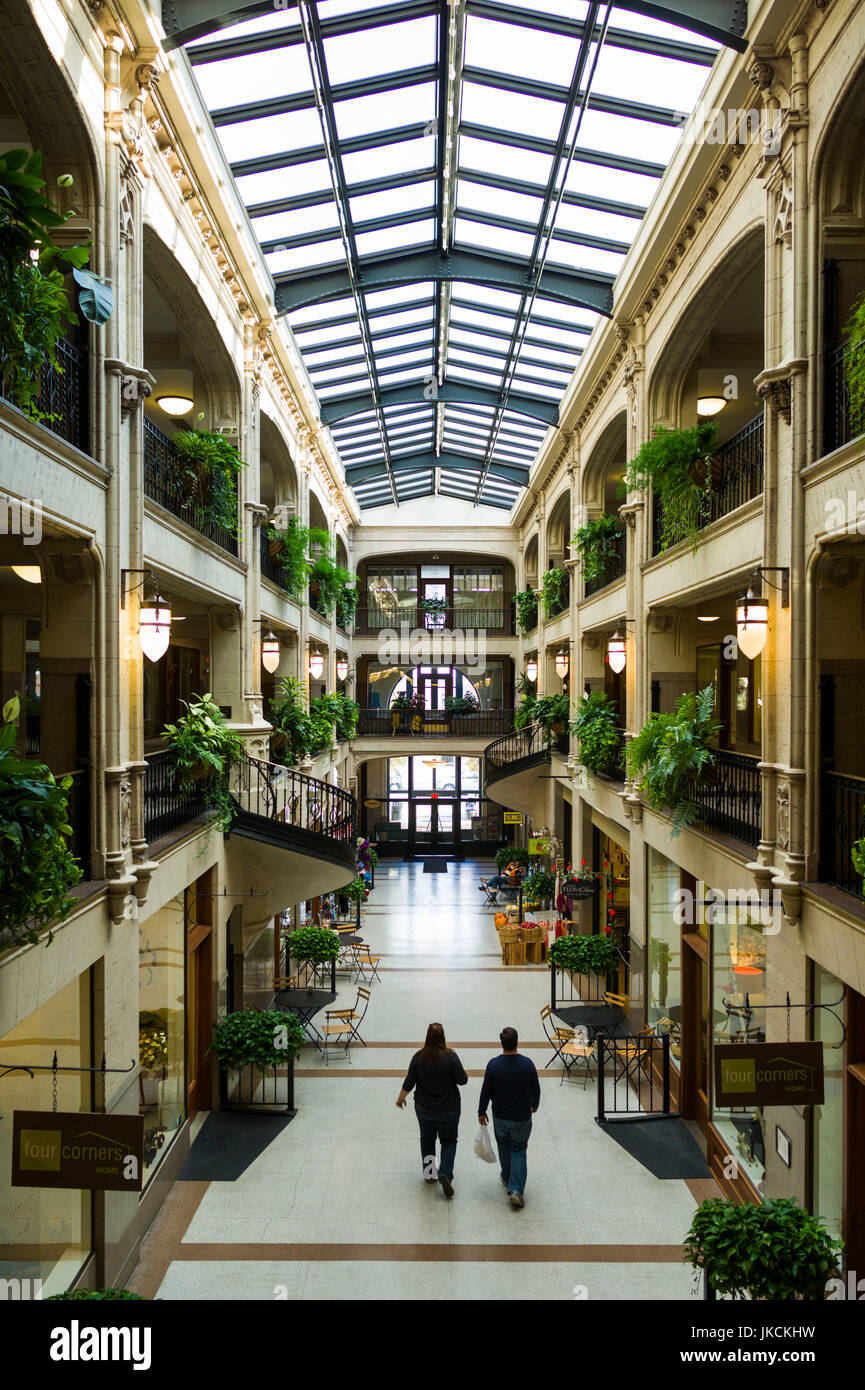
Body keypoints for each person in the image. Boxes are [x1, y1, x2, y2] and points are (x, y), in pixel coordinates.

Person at [396, 1022, 468, 1198]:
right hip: (449, 1108)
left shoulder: (419, 1057)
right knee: (449, 1140)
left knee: (427, 1139)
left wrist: (401, 1098)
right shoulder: (451, 1056)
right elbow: (463, 1080)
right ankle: (445, 1174)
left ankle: (429, 1175)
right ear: (443, 1037)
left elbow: (409, 1081)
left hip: (424, 1108)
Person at [478, 1026, 540, 1208]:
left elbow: (486, 1091)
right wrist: (534, 1104)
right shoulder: (527, 1064)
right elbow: (535, 1088)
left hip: (500, 1116)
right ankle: (516, 1190)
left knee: (504, 1146)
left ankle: (506, 1176)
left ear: (502, 1044)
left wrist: (481, 1112)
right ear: (517, 1042)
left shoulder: (493, 1065)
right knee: (519, 1150)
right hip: (521, 1117)